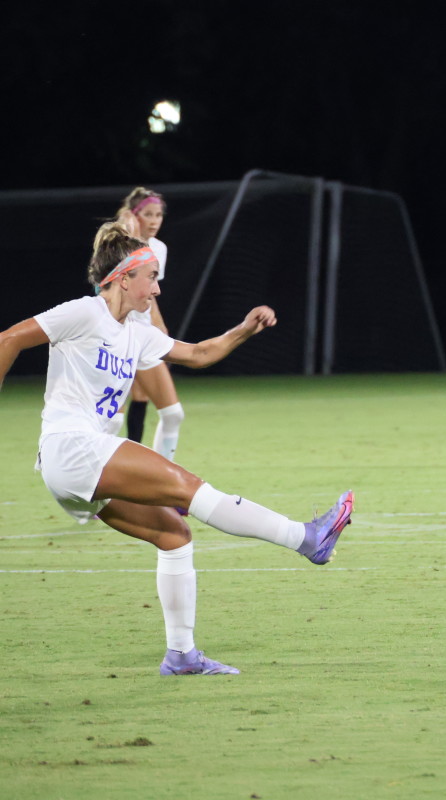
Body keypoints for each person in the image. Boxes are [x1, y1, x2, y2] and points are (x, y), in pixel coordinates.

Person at [0, 221, 354, 676]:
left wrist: (244, 329)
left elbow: (200, 354)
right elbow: (9, 338)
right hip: (72, 448)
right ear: (123, 277)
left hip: (78, 469)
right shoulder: (85, 313)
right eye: (152, 277)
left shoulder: (138, 332)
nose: (158, 289)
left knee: (174, 535)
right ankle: (306, 539)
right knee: (189, 487)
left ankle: (182, 655)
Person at [116, 187, 183, 461]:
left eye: (159, 215)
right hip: (116, 336)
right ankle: (104, 475)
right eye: (147, 214)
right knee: (110, 419)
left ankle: (159, 478)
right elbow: (103, 291)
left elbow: (149, 294)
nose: (155, 220)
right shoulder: (119, 247)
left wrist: (160, 326)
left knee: (172, 414)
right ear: (134, 216)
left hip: (143, 337)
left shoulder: (158, 249)